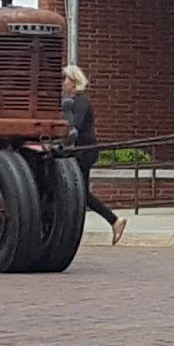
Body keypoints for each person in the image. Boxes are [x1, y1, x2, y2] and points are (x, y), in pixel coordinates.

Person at [63, 64, 128, 245]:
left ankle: (114, 220)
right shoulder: (74, 101)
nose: (63, 83)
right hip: (81, 152)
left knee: (81, 194)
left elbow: (74, 126)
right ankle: (112, 221)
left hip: (84, 152)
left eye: (65, 79)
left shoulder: (81, 102)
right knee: (80, 193)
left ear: (74, 82)